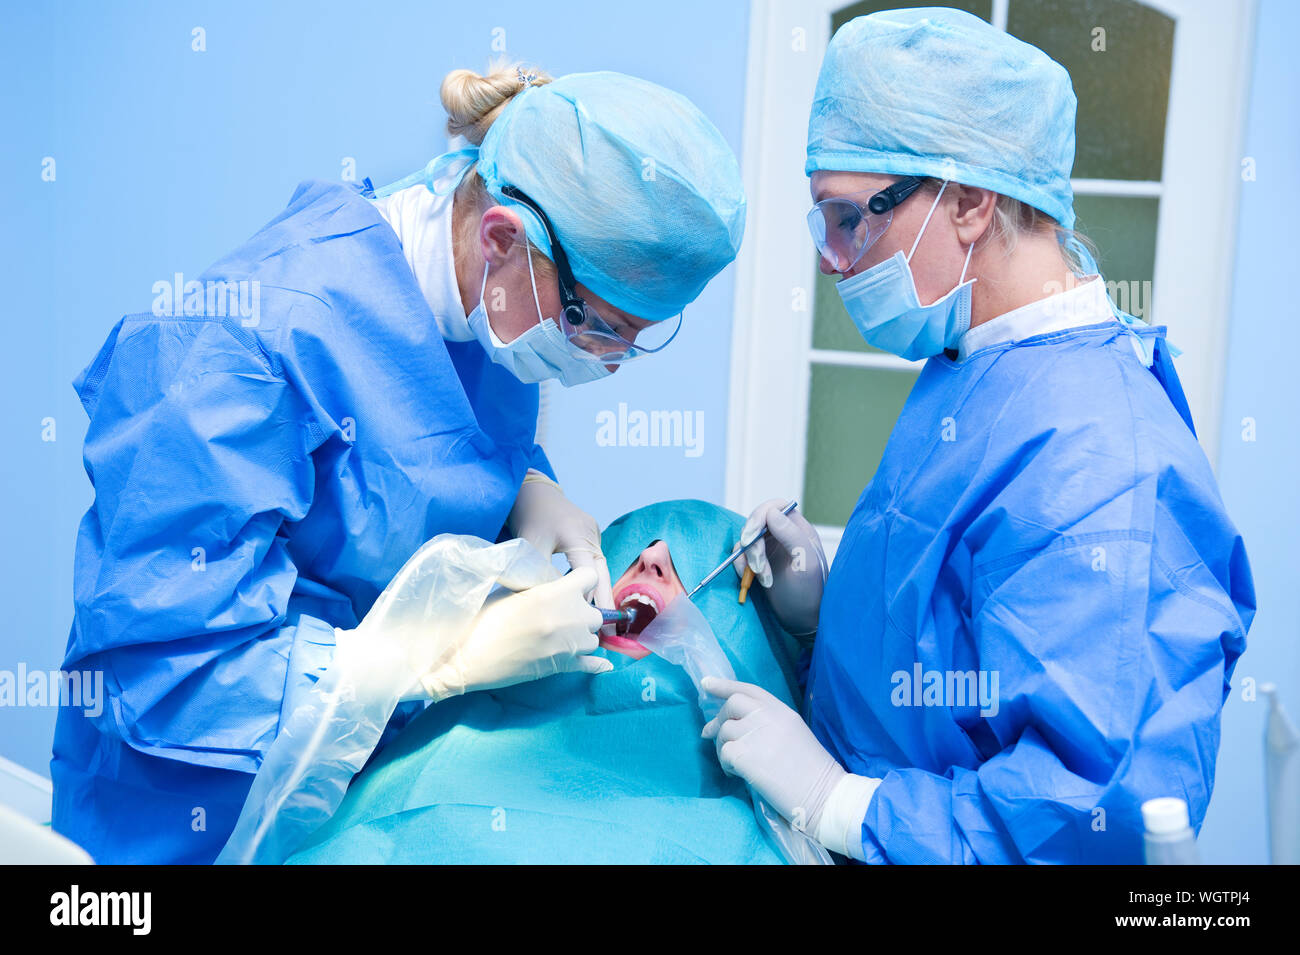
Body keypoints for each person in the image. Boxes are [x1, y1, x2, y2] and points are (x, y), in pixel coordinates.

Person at [52, 64, 746, 864]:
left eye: (638, 335)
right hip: (187, 816)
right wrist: (442, 659)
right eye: (597, 326)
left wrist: (529, 487)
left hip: (367, 789)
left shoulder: (479, 292)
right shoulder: (240, 350)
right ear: (501, 240)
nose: (612, 363)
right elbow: (161, 678)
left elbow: (422, 439)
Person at [708, 8, 1254, 864]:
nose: (832, 260)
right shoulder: (973, 363)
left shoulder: (1103, 460)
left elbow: (1091, 810)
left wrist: (834, 800)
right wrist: (823, 617)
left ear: (967, 202)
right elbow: (954, 658)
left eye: (852, 219)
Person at [282, 501, 810, 865]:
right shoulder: (463, 721)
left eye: (687, 561)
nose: (652, 557)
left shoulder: (744, 837)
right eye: (640, 545)